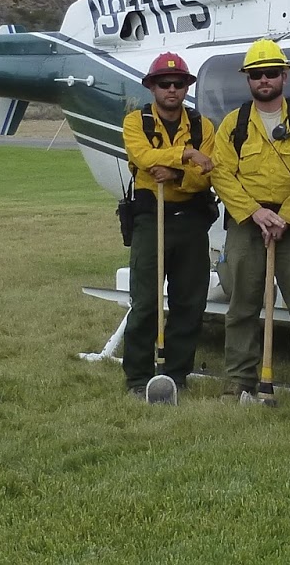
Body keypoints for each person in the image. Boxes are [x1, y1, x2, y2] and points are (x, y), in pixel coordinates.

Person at [209, 39, 290, 406]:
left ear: (284, 76)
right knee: (242, 304)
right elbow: (222, 174)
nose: (264, 80)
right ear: (248, 80)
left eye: (271, 73)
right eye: (256, 75)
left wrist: (285, 217)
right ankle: (239, 380)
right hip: (247, 222)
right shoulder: (234, 123)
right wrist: (256, 213)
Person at [120, 52, 217, 397]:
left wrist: (176, 174)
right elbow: (143, 157)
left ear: (186, 88)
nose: (172, 90)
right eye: (164, 84)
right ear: (152, 87)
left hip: (191, 219)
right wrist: (186, 156)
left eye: (178, 84)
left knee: (189, 302)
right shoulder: (136, 122)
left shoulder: (203, 126)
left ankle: (176, 374)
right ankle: (137, 377)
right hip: (150, 218)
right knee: (145, 301)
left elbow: (206, 177)